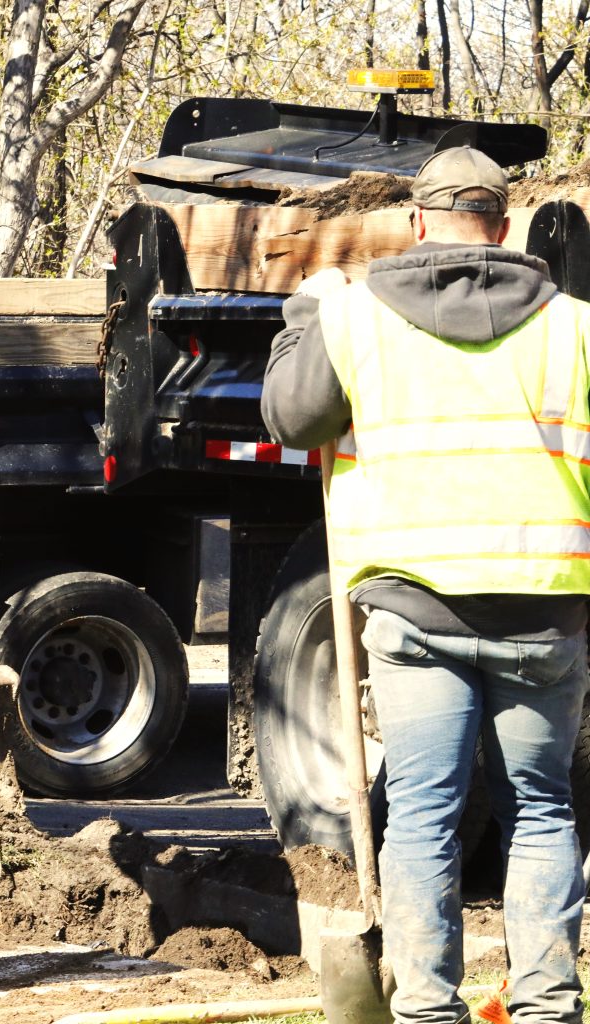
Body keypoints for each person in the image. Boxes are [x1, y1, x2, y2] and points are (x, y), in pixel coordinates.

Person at [262, 146, 590, 1024]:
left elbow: (291, 417)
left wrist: (305, 316)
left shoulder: (356, 318)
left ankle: (426, 1011)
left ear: (415, 224)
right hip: (544, 614)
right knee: (543, 812)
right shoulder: (576, 327)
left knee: (421, 817)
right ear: (506, 227)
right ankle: (549, 1007)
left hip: (415, 614)